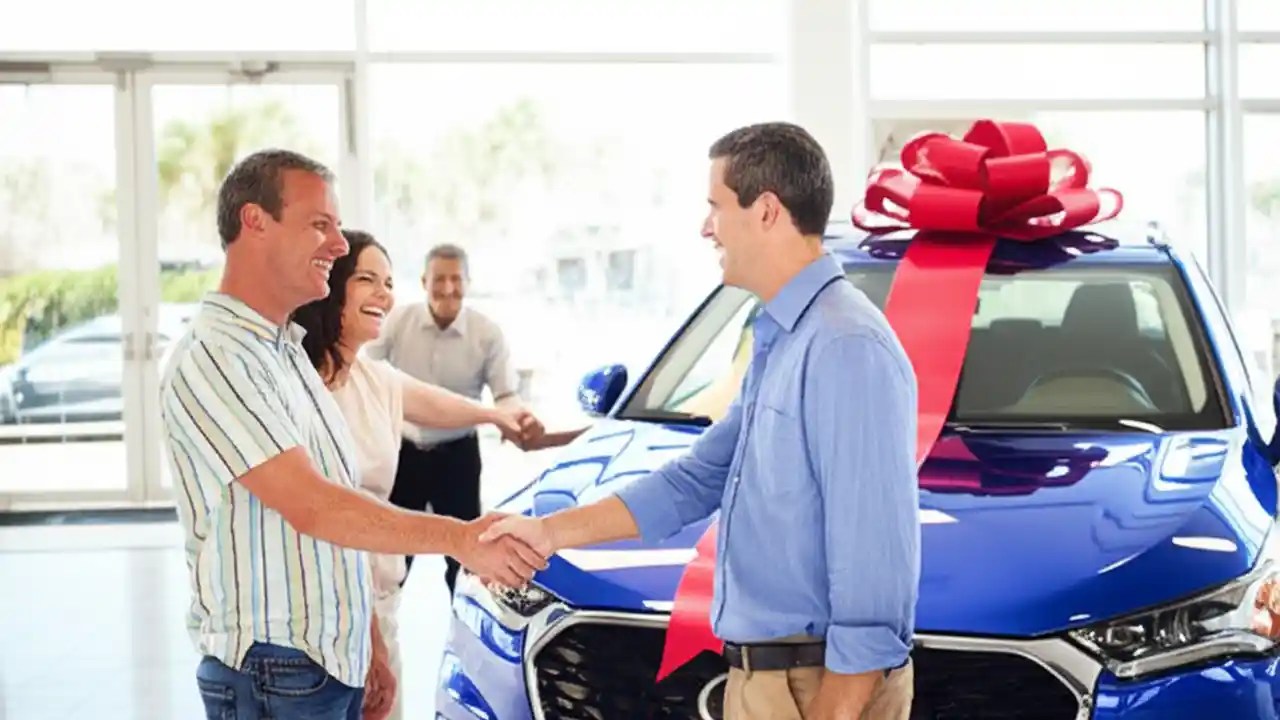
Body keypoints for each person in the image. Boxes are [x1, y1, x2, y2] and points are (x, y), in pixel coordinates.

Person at [478, 123, 920, 720]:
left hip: (817, 689)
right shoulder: (784, 337)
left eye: (715, 207)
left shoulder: (845, 346)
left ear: (766, 211)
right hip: (768, 680)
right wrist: (549, 532)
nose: (705, 227)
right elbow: (697, 477)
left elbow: (875, 564)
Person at [158, 149, 547, 720]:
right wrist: (459, 538)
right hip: (273, 669)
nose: (338, 245)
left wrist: (367, 644)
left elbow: (339, 518)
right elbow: (314, 507)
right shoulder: (219, 357)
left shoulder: (285, 352)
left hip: (322, 663)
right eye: (321, 225)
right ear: (254, 222)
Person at [291, 228, 544, 720]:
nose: (385, 294)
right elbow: (331, 528)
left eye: (388, 281)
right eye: (368, 279)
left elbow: (429, 401)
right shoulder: (307, 389)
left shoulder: (367, 375)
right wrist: (369, 646)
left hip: (374, 611)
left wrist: (496, 416)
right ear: (332, 284)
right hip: (335, 618)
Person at [365, 242, 533, 592]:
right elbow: (363, 372)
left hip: (457, 457)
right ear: (424, 280)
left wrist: (518, 418)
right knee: (389, 558)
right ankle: (379, 635)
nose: (447, 288)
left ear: (468, 283)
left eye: (456, 279)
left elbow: (506, 396)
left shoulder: (487, 333)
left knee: (467, 559)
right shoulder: (396, 322)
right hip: (404, 454)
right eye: (439, 279)